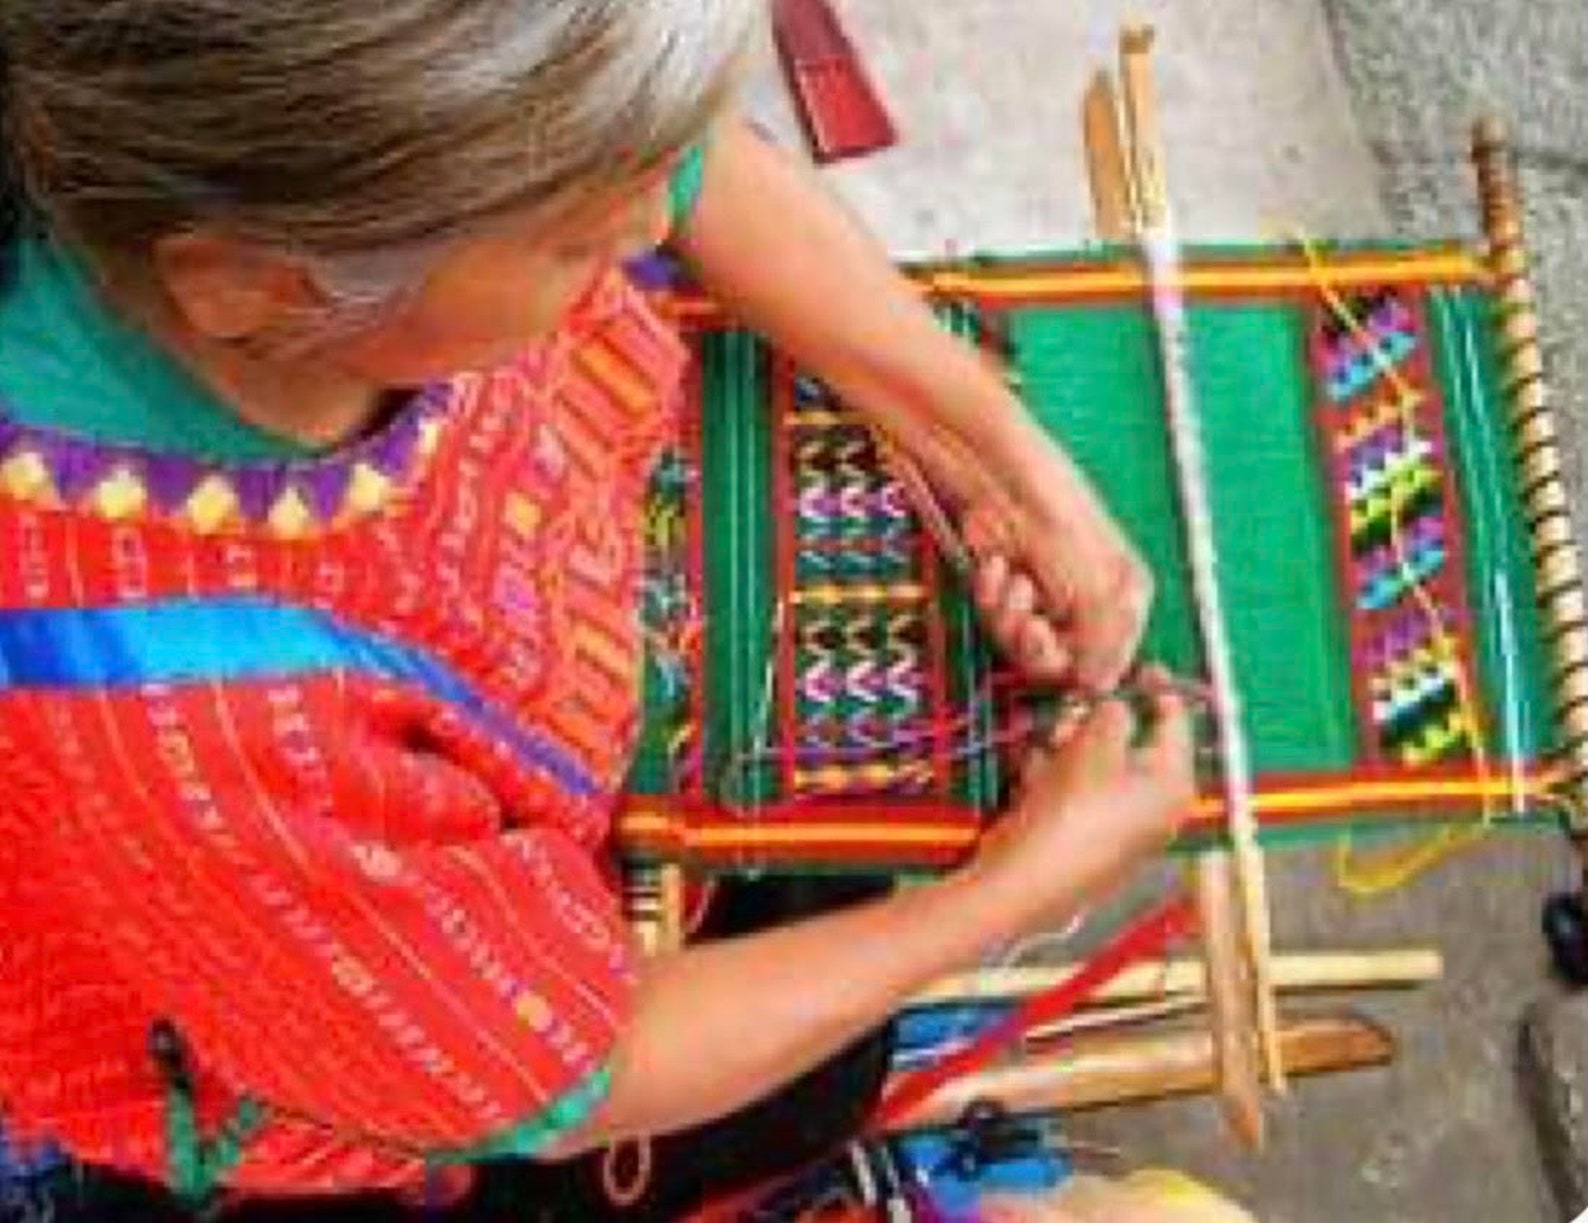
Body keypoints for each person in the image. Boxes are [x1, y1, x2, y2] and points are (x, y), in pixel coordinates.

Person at [0, 2, 1193, 1218]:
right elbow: (580, 1064)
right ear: (251, 283)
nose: (646, 223)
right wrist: (1006, 898)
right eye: (577, 241)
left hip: (551, 730)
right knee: (801, 1096)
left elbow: (681, 164)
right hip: (330, 1028)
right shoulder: (168, 714)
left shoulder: (338, 199)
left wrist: (988, 447)